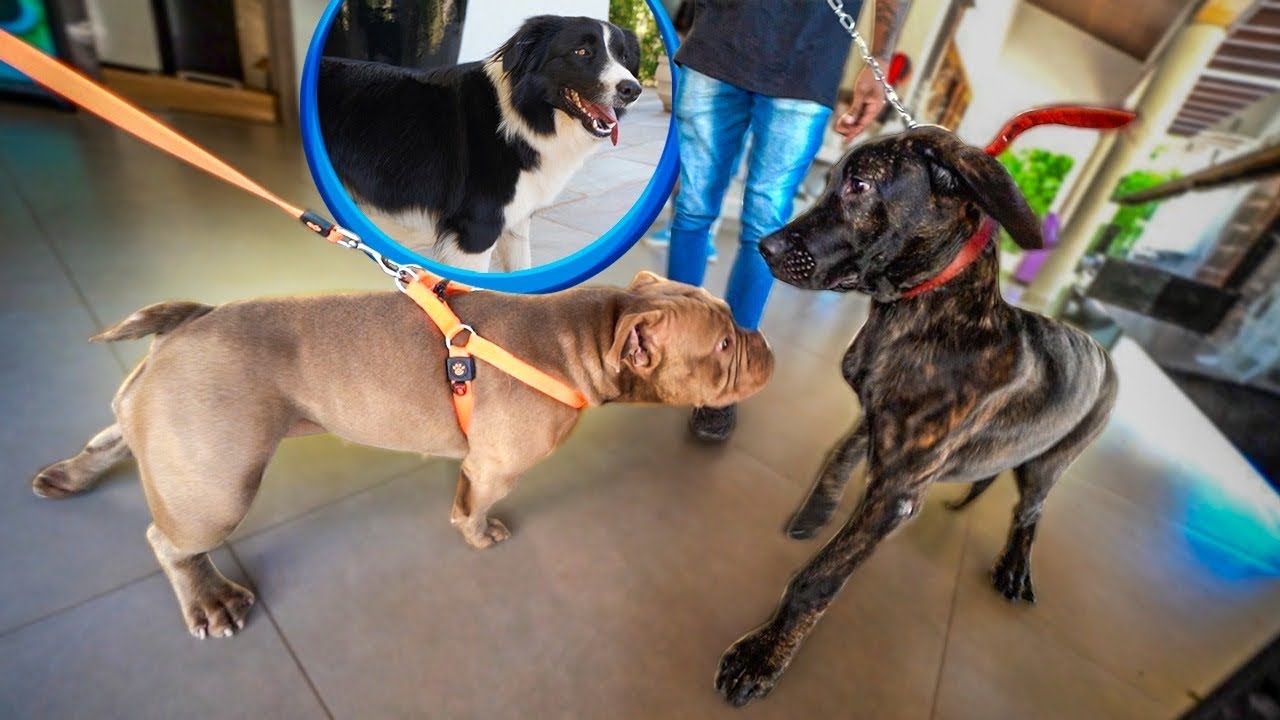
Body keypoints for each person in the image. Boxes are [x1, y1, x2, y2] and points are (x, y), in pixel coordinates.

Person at [669, 0, 915, 441]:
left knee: (764, 227)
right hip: (718, 44)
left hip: (807, 65)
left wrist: (879, 59)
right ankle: (672, 342)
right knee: (692, 208)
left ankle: (728, 373)